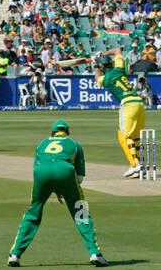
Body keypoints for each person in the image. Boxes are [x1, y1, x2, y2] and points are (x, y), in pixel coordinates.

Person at [7, 120, 107, 267]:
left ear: (52, 132)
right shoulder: (74, 144)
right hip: (65, 171)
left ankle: (14, 255)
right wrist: (64, 188)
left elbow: (37, 170)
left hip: (41, 173)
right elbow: (79, 178)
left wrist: (53, 187)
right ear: (67, 132)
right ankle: (95, 253)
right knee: (80, 212)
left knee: (33, 212)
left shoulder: (42, 143)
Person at [59, 48, 146, 179]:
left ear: (102, 67)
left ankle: (136, 166)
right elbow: (117, 50)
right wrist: (103, 54)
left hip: (127, 104)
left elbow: (97, 79)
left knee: (124, 136)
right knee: (135, 136)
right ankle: (139, 165)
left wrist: (95, 65)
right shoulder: (119, 68)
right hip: (139, 102)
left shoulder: (107, 79)